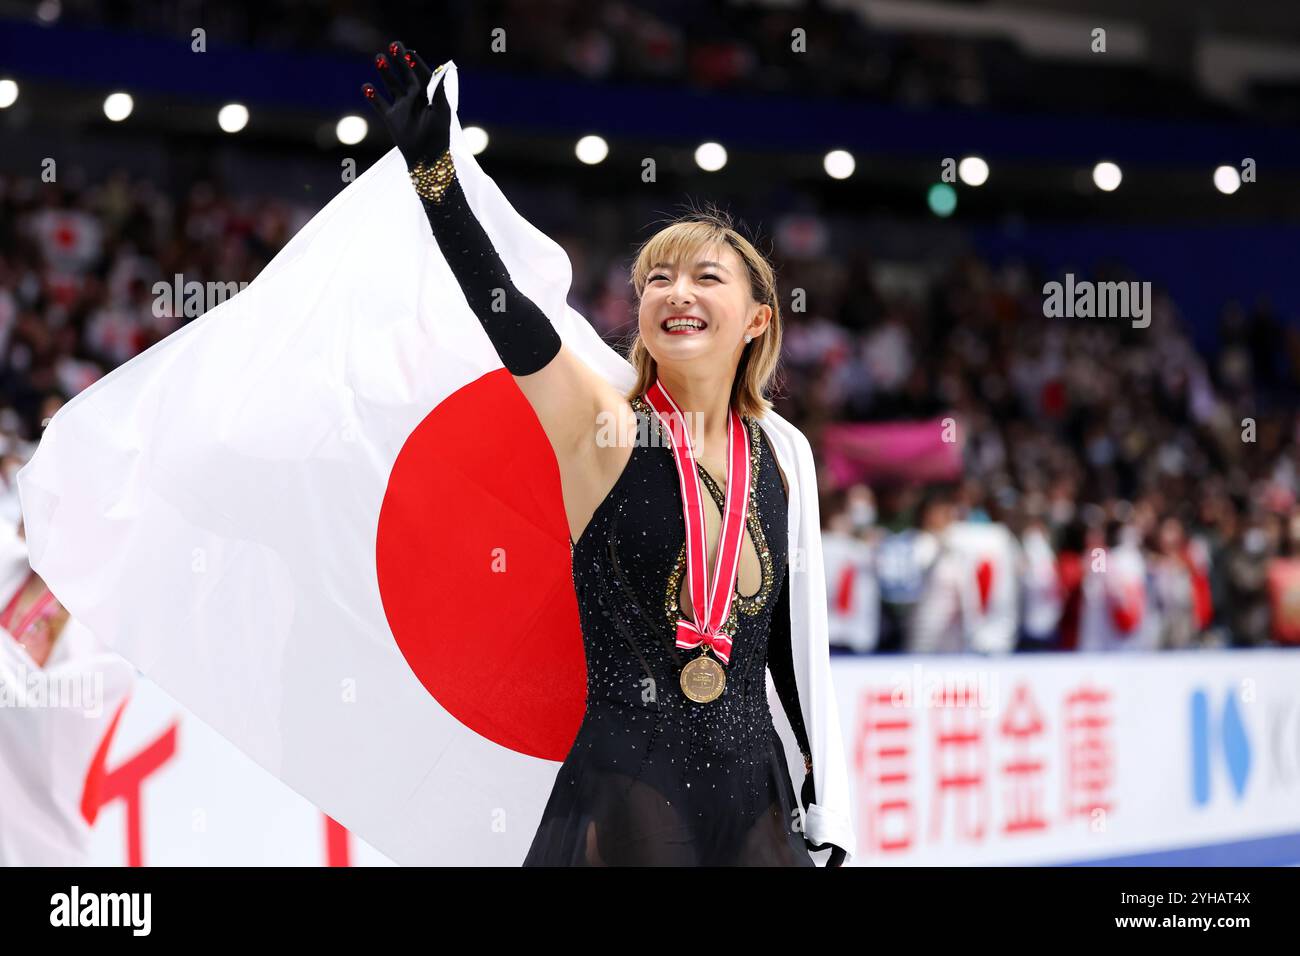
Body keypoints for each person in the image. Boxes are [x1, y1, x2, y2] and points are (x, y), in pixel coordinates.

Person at [363, 42, 846, 865]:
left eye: (704, 277)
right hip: (630, 780)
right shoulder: (605, 426)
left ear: (758, 319)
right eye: (656, 279)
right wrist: (436, 178)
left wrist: (823, 802)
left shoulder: (784, 452)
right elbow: (507, 312)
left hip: (752, 784)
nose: (676, 292)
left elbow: (797, 650)